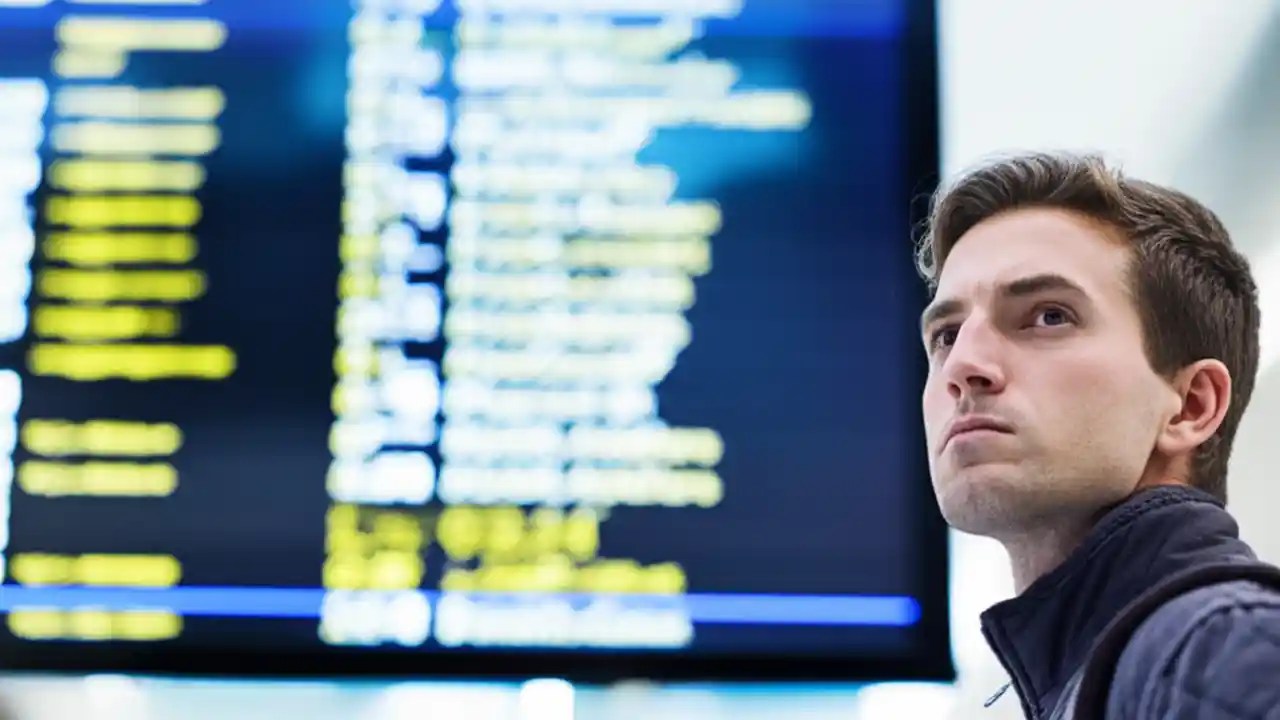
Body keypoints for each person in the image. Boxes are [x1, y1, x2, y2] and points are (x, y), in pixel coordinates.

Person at [915, 151, 1280, 718]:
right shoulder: (1114, 669)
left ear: (1190, 405)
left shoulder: (1223, 649)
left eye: (1048, 315)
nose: (964, 365)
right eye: (946, 334)